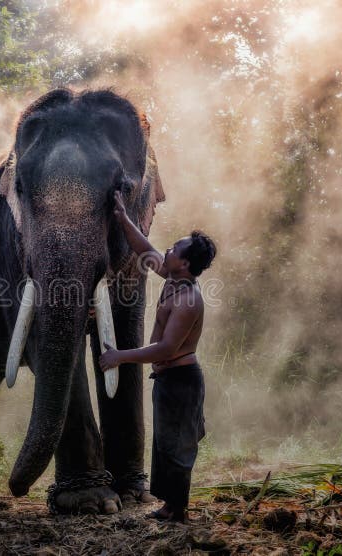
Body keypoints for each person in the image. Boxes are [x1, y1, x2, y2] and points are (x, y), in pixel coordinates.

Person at [99, 190, 216, 522]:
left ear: (185, 262)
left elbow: (167, 348)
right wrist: (121, 217)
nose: (167, 250)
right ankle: (170, 506)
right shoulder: (172, 279)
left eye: (174, 249)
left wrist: (120, 356)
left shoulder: (188, 299)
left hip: (181, 380)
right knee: (166, 442)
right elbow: (146, 251)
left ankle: (178, 511)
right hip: (168, 379)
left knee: (178, 445)